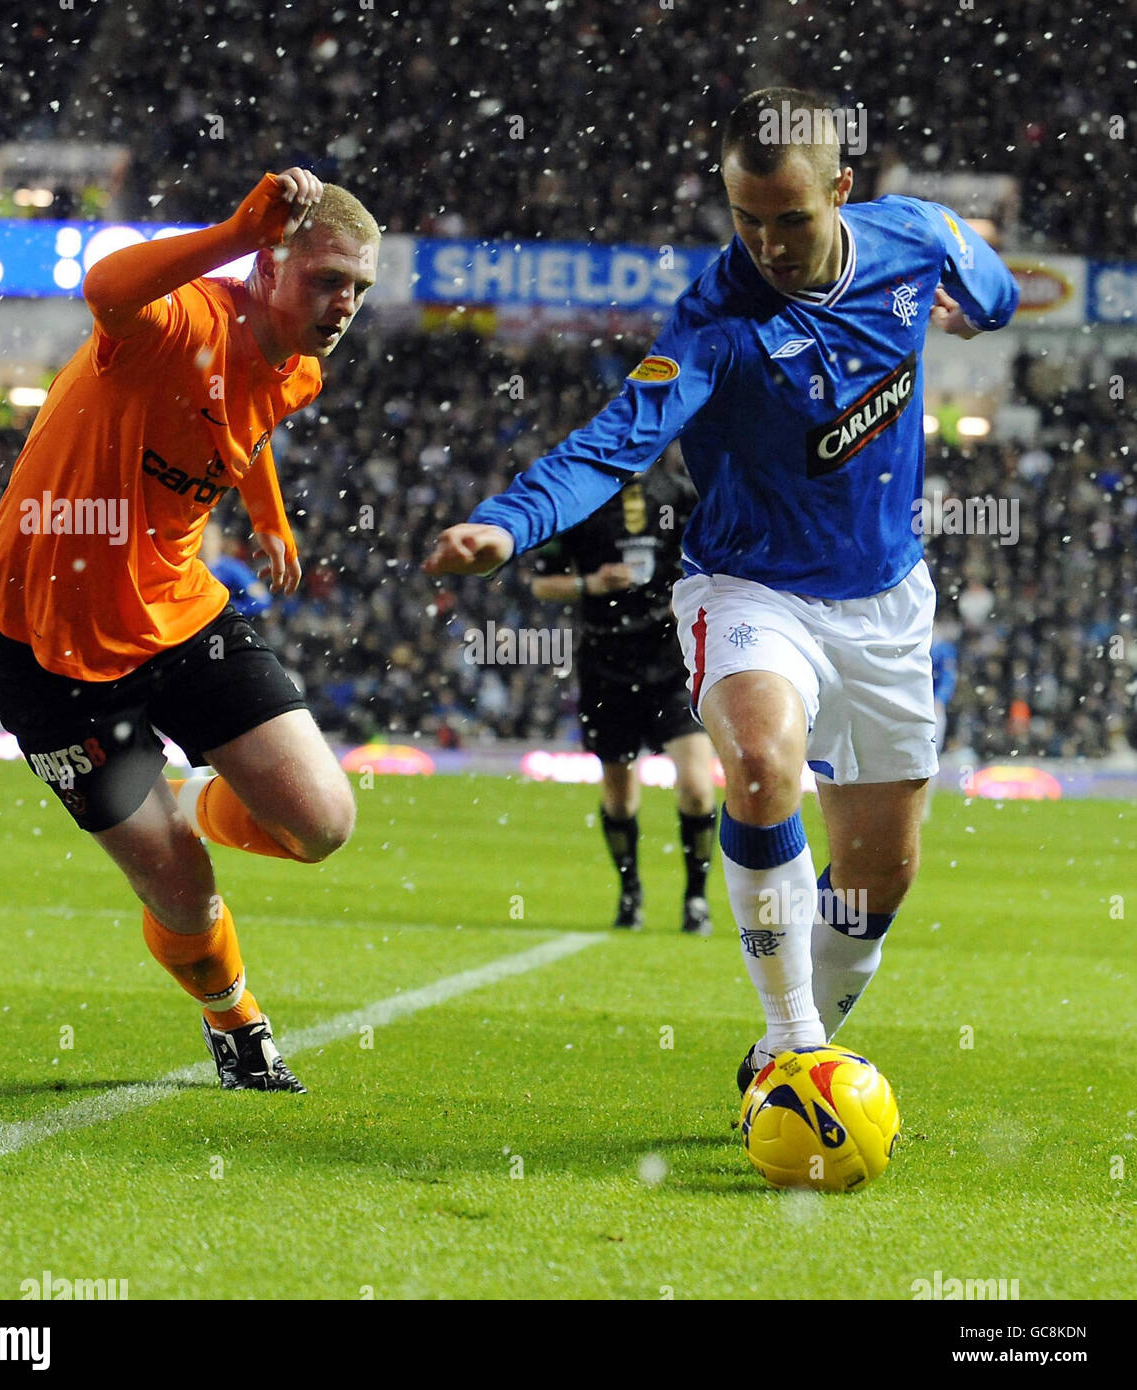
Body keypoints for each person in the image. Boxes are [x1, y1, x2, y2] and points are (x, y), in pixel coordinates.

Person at [425, 88, 1018, 1091]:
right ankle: (792, 1044)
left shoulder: (914, 238)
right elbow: (616, 440)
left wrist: (978, 307)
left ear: (839, 188)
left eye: (789, 218)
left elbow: (996, 281)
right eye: (744, 219)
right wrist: (510, 520)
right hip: (746, 586)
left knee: (880, 879)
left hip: (882, 598)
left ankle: (796, 1035)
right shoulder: (713, 320)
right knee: (755, 759)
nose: (767, 245)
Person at [0, 168, 380, 1091]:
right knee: (183, 896)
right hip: (41, 642)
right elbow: (105, 286)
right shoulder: (180, 320)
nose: (343, 302)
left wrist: (268, 514)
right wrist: (235, 226)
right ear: (269, 264)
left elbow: (242, 428)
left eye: (358, 287)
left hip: (178, 615)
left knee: (322, 824)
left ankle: (187, 797)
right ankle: (236, 1020)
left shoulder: (300, 366)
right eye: (327, 279)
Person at [524, 453, 718, 933]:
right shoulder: (580, 502)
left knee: (696, 788)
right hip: (606, 662)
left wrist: (690, 598)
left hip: (671, 662)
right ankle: (630, 894)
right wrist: (589, 583)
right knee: (619, 796)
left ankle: (696, 898)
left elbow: (714, 561)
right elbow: (540, 584)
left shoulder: (677, 494)